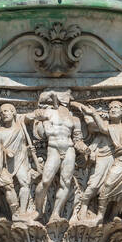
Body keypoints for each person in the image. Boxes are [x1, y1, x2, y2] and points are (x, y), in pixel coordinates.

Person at [29, 90, 82, 220]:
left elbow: (78, 139)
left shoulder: (74, 119)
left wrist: (84, 148)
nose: (66, 100)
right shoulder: (49, 113)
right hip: (53, 148)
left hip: (69, 149)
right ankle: (38, 210)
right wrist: (39, 116)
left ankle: (55, 213)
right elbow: (31, 116)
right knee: (46, 181)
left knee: (66, 183)